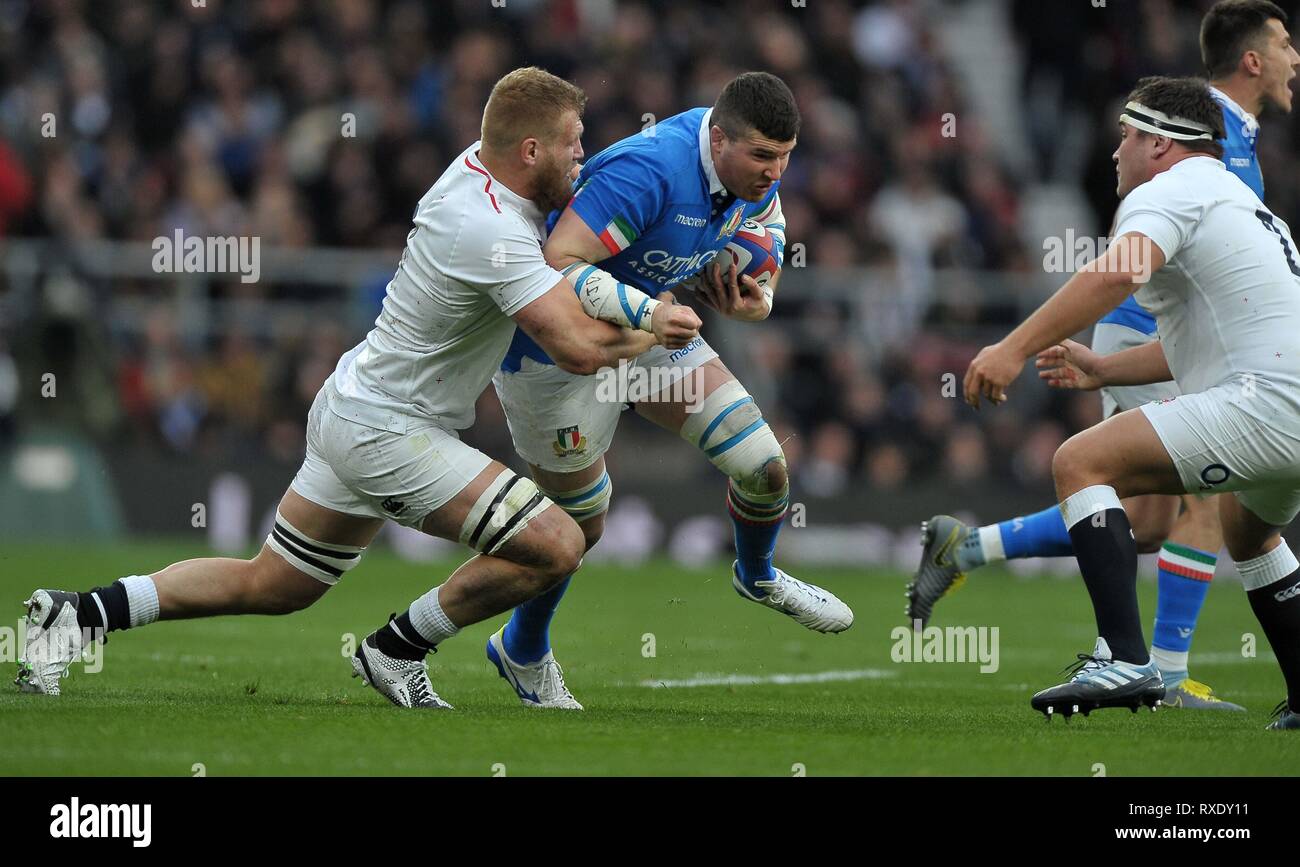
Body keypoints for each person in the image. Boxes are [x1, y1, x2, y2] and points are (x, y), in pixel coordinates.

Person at [15, 67, 701, 709]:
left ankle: (80, 612)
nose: (583, 161)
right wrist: (658, 324)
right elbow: (579, 349)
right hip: (390, 429)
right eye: (573, 147)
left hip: (360, 402)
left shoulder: (485, 175)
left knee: (274, 584)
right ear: (529, 151)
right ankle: (398, 649)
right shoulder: (491, 229)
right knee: (556, 542)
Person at [909, 0, 1299, 712]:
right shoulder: (1236, 185)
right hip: (1276, 393)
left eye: (1124, 135)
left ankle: (1133, 663)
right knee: (1235, 526)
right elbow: (1200, 340)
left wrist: (1010, 347)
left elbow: (1118, 274)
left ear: (1159, 143)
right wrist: (1104, 367)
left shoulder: (1178, 180)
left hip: (1263, 400)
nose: (1112, 149)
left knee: (1084, 465)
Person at [484, 71, 853, 709]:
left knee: (763, 466)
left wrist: (758, 301)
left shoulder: (753, 175)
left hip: (650, 335)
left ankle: (757, 575)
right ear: (718, 138)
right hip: (552, 353)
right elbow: (558, 260)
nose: (773, 172)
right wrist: (647, 313)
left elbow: (768, 233)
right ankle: (522, 648)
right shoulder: (650, 170)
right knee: (577, 531)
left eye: (784, 159)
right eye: (762, 157)